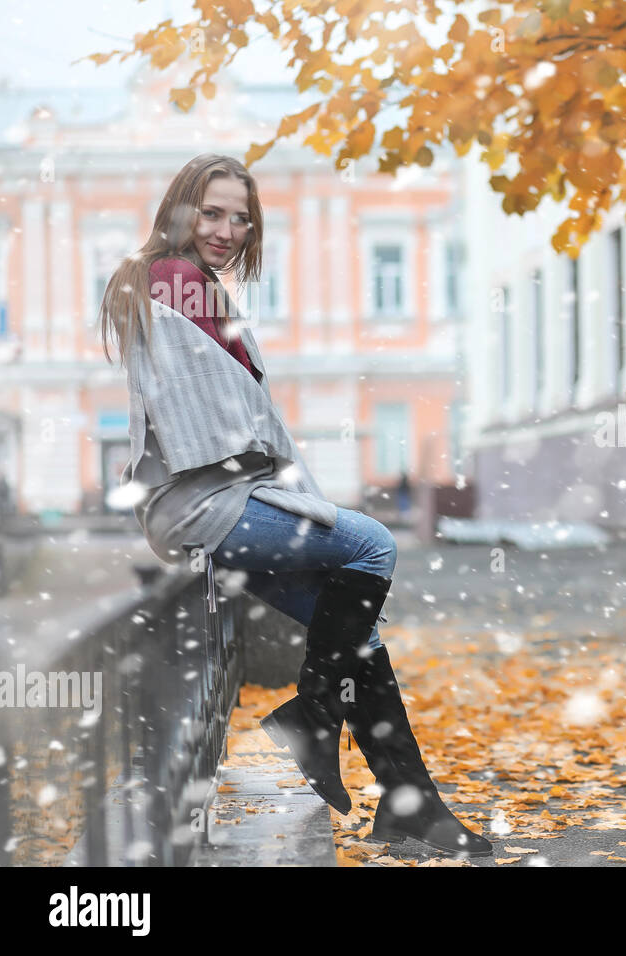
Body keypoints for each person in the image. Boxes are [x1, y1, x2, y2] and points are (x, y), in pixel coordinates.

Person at [97, 153, 490, 859]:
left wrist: (297, 497)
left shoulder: (191, 286)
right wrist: (305, 502)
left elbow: (239, 419)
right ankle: (313, 719)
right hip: (205, 505)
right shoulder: (174, 282)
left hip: (214, 501)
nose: (227, 230)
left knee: (359, 639)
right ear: (182, 210)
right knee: (372, 544)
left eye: (241, 218)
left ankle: (413, 807)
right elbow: (215, 425)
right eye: (212, 213)